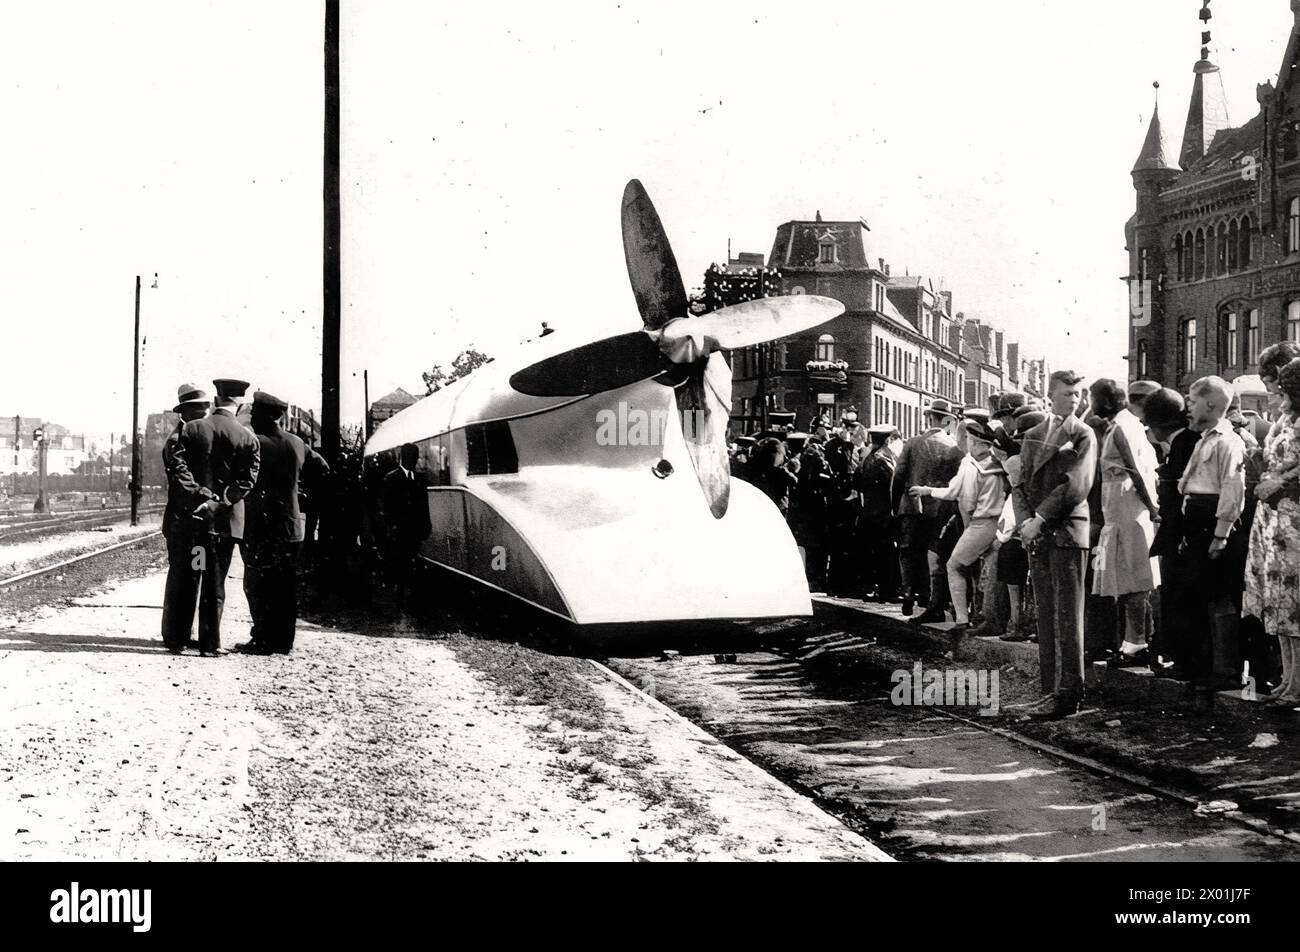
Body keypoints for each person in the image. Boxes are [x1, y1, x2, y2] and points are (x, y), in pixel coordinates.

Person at [1017, 370, 1097, 718]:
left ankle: (1069, 693)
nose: (1074, 400)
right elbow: (1019, 483)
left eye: (1078, 394)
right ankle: (1048, 690)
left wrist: (1039, 519)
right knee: (1046, 615)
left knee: (1068, 616)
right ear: (1051, 395)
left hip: (1066, 531)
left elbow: (1076, 485)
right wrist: (1025, 522)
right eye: (1067, 394)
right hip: (1038, 531)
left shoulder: (1083, 434)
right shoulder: (1034, 433)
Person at [173, 378, 261, 657]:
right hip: (225, 525)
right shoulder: (248, 437)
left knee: (195, 572)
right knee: (216, 580)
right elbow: (247, 482)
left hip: (198, 523)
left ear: (215, 399)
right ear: (241, 403)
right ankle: (210, 643)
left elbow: (179, 468)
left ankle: (179, 638)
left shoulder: (193, 429)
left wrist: (202, 498)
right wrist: (221, 501)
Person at [239, 391, 330, 654]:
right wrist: (301, 495)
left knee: (257, 584)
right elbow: (323, 469)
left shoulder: (256, 443)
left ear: (268, 416)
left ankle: (263, 639)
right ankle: (284, 642)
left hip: (261, 527)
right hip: (291, 528)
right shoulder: (297, 443)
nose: (252, 418)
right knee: (286, 587)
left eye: (255, 414)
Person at [1177, 376, 1247, 690]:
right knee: (1201, 595)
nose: (1187, 408)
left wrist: (1221, 534)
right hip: (1197, 525)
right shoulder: (1205, 438)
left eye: (1191, 401)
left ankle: (1226, 671)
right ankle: (1205, 667)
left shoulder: (1227, 441)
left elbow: (1232, 490)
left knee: (1220, 596)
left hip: (1213, 525)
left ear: (1210, 404)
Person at [908, 418, 1007, 639]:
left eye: (970, 440)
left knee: (954, 565)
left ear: (975, 442)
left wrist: (927, 491)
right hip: (998, 524)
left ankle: (962, 619)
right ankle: (987, 617)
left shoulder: (970, 465)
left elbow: (960, 496)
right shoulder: (998, 465)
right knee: (987, 575)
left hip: (980, 523)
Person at [1090, 380, 1160, 668]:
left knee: (1133, 578)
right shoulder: (1124, 424)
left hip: (1128, 509)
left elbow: (1135, 469)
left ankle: (1136, 643)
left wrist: (1151, 507)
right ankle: (1136, 640)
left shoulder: (1122, 427)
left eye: (1094, 398)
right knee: (1130, 577)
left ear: (1106, 400)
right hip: (1121, 509)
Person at [1243, 353, 1300, 704]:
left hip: (1293, 520)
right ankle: (1289, 677)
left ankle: (1298, 682)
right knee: (1278, 601)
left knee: (1294, 604)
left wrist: (1279, 482)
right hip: (1274, 522)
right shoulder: (1283, 419)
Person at [891, 399, 964, 619]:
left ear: (930, 418)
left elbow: (899, 476)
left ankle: (908, 592)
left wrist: (896, 507)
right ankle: (930, 597)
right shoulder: (954, 447)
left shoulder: (912, 443)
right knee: (935, 554)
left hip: (912, 507)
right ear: (946, 420)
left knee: (909, 551)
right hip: (941, 510)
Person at [159, 384, 218, 653]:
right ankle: (175, 636)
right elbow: (183, 479)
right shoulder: (177, 439)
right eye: (200, 408)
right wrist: (206, 494)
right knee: (183, 576)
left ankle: (182, 633)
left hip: (194, 523)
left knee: (193, 573)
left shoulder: (196, 435)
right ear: (186, 410)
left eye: (206, 407)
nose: (205, 411)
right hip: (183, 522)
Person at [380, 442, 432, 606]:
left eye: (416, 458)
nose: (414, 461)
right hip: (399, 530)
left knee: (410, 561)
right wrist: (391, 526)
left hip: (414, 529)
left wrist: (426, 525)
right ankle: (399, 594)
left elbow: (424, 506)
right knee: (400, 561)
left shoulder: (420, 480)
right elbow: (386, 506)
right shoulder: (391, 478)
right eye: (412, 457)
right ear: (404, 457)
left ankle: (406, 594)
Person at [856, 424, 901, 601]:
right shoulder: (883, 460)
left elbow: (858, 484)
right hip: (883, 514)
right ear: (888, 440)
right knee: (886, 553)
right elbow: (893, 486)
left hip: (870, 512)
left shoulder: (867, 459)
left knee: (876, 553)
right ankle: (886, 590)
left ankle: (880, 588)